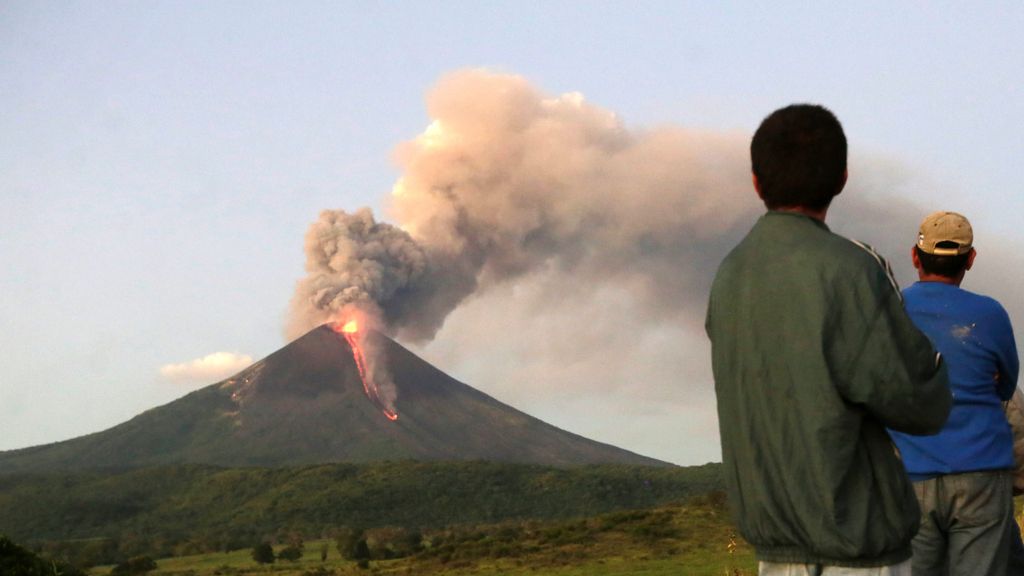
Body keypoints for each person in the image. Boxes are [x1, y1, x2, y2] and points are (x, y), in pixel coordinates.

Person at [705, 104, 952, 575]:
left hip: (774, 546)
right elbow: (921, 403)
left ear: (756, 181)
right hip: (856, 544)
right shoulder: (851, 270)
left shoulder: (729, 276)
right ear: (842, 178)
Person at [887, 211, 1020, 576]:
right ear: (971, 259)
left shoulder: (891, 310)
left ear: (915, 256)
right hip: (981, 475)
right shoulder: (991, 314)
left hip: (910, 474)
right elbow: (1006, 388)